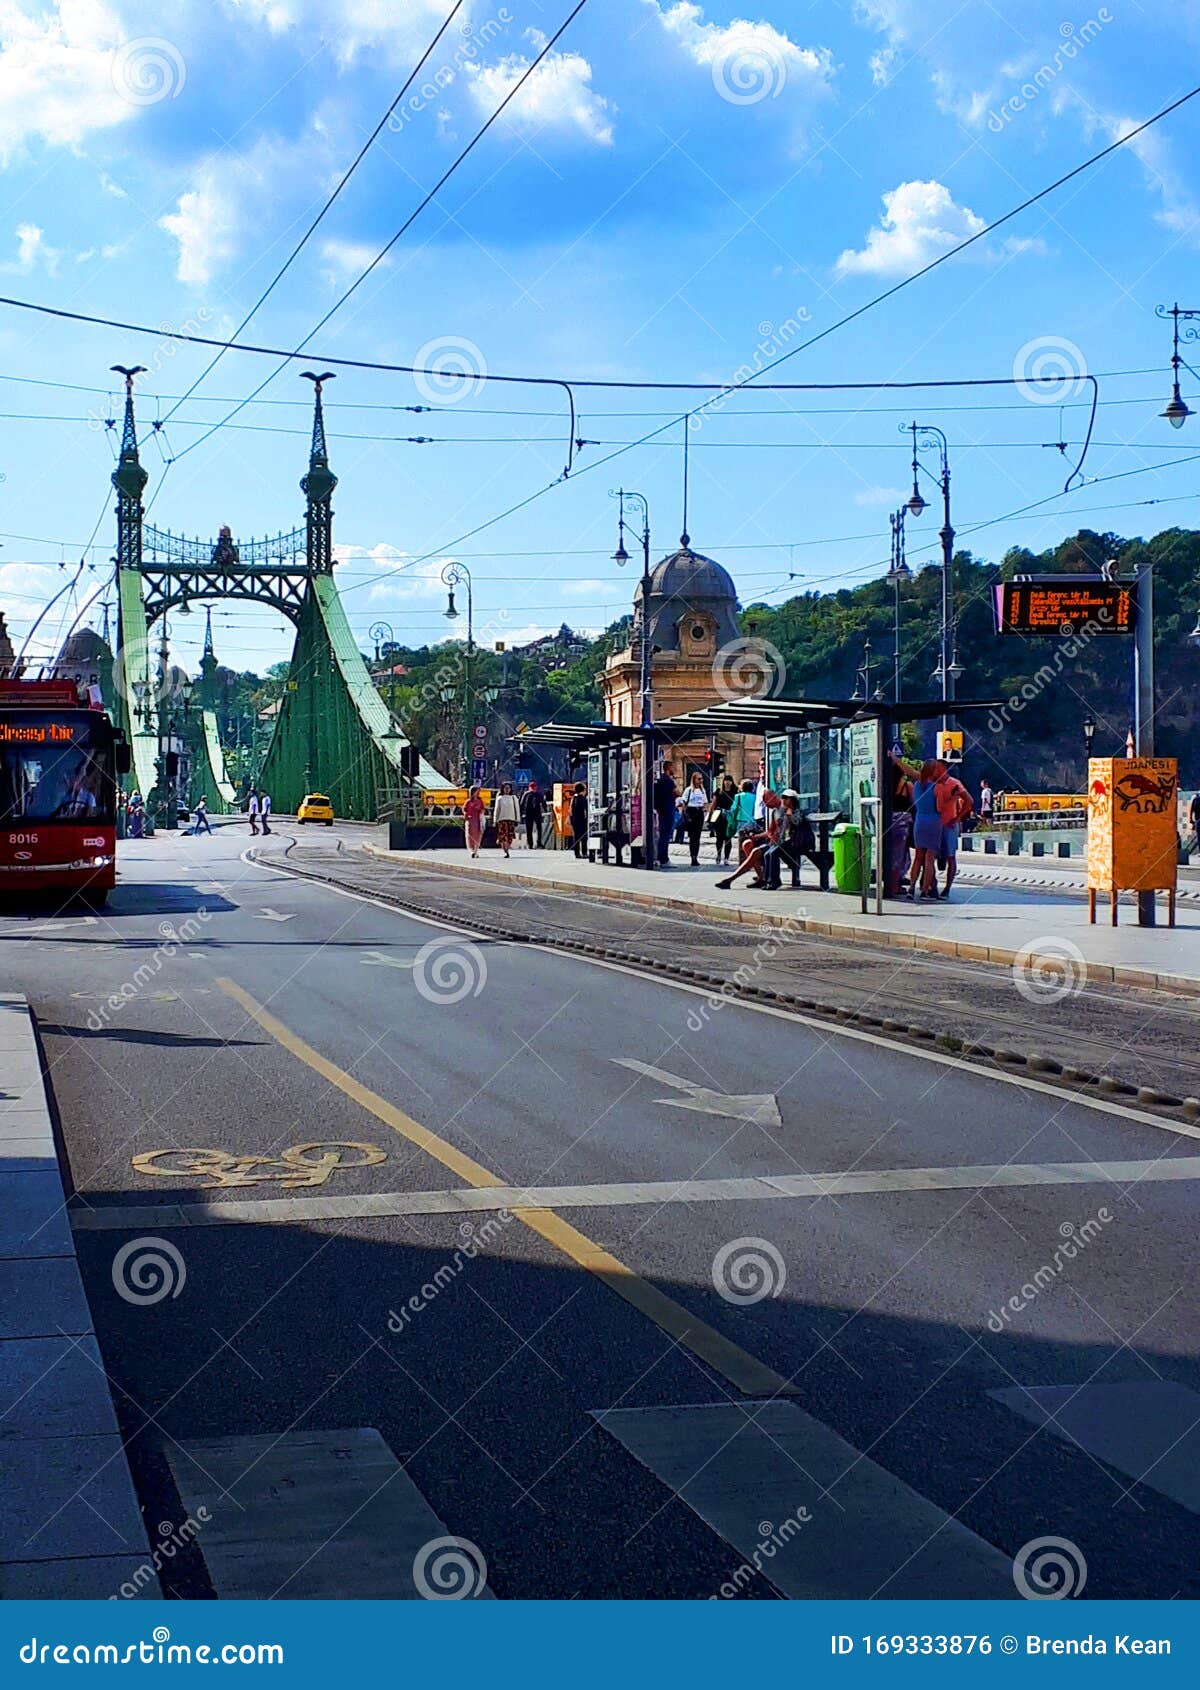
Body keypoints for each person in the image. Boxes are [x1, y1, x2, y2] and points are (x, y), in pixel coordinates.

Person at [891, 752, 942, 899]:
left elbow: (908, 770)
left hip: (920, 820)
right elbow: (939, 807)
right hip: (933, 822)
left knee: (918, 857)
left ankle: (912, 888)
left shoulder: (919, 782)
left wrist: (895, 759)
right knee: (929, 859)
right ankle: (925, 891)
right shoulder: (937, 787)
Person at [717, 790, 782, 890]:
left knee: (756, 851)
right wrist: (756, 836)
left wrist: (776, 836)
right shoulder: (774, 812)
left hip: (781, 844)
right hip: (772, 842)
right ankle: (761, 877)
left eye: (766, 801)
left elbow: (786, 830)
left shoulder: (785, 810)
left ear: (773, 797)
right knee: (747, 843)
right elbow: (770, 832)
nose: (765, 804)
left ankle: (730, 879)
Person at [934, 762, 973, 899]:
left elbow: (969, 801)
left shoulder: (954, 783)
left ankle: (947, 888)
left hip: (949, 825)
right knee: (931, 855)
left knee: (950, 856)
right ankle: (931, 885)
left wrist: (957, 819)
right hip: (935, 824)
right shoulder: (934, 784)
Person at [768, 790, 816, 889]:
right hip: (787, 842)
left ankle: (774, 882)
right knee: (768, 853)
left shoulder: (798, 811)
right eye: (783, 797)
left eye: (786, 798)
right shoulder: (781, 811)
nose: (783, 800)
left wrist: (789, 815)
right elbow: (781, 830)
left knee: (774, 853)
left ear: (793, 800)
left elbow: (796, 823)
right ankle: (769, 880)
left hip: (799, 842)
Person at [681, 770, 708, 866]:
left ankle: (695, 856)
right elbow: (683, 802)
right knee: (693, 837)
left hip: (699, 812)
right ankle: (692, 856)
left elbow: (705, 802)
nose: (701, 781)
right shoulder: (688, 790)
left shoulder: (702, 790)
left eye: (701, 779)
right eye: (699, 779)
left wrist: (704, 810)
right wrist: (685, 813)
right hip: (691, 812)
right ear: (694, 779)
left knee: (697, 837)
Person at [652, 764, 677, 867]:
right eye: (673, 767)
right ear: (669, 768)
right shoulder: (668, 781)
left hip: (660, 809)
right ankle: (664, 859)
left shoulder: (659, 780)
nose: (674, 769)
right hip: (668, 809)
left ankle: (658, 858)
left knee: (662, 834)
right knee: (666, 835)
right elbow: (676, 792)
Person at [709, 774, 737, 864]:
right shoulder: (718, 792)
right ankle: (718, 854)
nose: (727, 782)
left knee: (728, 838)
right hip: (719, 815)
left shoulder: (735, 792)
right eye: (726, 780)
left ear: (732, 782)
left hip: (730, 816)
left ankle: (726, 858)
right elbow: (713, 804)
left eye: (729, 780)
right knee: (719, 838)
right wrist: (711, 818)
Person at [491, 781, 519, 857]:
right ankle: (505, 851)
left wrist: (517, 819)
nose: (507, 790)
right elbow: (497, 810)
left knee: (510, 836)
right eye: (505, 788)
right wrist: (495, 820)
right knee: (503, 836)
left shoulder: (514, 798)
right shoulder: (500, 798)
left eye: (508, 788)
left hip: (511, 819)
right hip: (502, 819)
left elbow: (517, 809)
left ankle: (507, 848)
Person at [521, 780, 546, 849]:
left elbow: (543, 803)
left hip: (537, 813)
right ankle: (530, 843)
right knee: (529, 829)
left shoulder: (539, 794)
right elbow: (522, 804)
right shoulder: (526, 794)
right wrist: (520, 813)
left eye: (534, 787)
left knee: (539, 828)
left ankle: (539, 842)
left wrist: (545, 809)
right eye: (532, 787)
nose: (533, 789)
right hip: (528, 813)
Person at [463, 784, 485, 857]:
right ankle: (471, 850)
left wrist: (481, 815)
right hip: (470, 820)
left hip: (478, 820)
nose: (478, 793)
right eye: (476, 791)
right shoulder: (468, 801)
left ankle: (476, 851)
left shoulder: (480, 801)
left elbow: (482, 810)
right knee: (470, 835)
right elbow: (464, 809)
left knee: (478, 835)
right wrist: (466, 815)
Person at [569, 782, 588, 859]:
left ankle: (577, 853)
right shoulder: (582, 799)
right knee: (583, 837)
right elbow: (585, 809)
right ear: (583, 790)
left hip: (574, 820)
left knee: (576, 837)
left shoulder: (574, 798)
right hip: (581, 820)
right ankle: (584, 852)